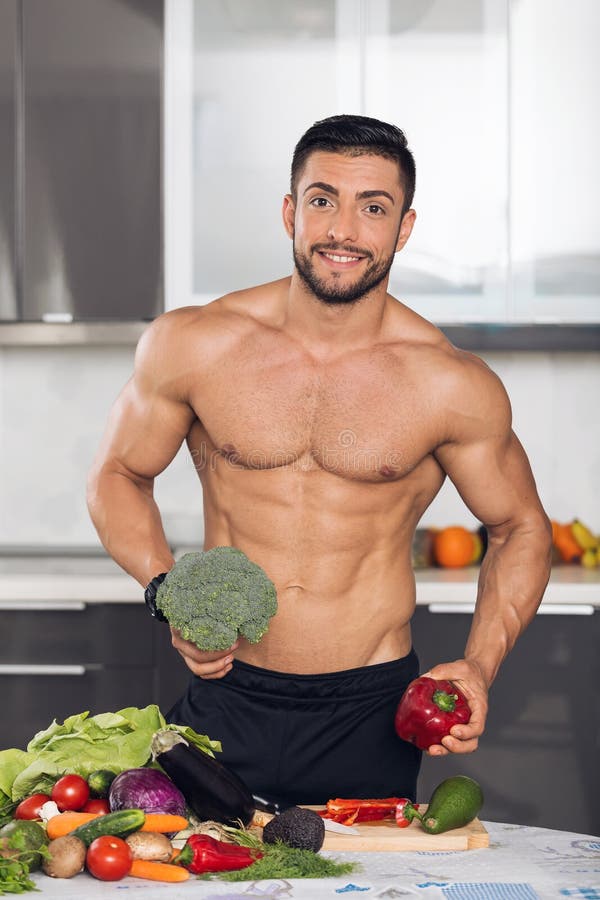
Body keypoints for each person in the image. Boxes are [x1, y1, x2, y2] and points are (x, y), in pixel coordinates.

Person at [87, 114, 552, 808]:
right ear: (290, 211)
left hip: (369, 710)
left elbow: (523, 529)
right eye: (322, 199)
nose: (343, 229)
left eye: (374, 208)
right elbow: (118, 475)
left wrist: (480, 666)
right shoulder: (196, 343)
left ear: (405, 228)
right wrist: (168, 592)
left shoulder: (449, 384)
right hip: (224, 691)